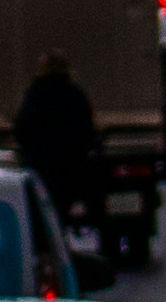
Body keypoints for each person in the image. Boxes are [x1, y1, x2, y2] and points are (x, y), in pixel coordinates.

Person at [13, 47, 110, 235]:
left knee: (41, 217)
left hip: (42, 168)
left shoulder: (36, 94)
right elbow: (88, 131)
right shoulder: (75, 94)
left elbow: (22, 129)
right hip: (71, 168)